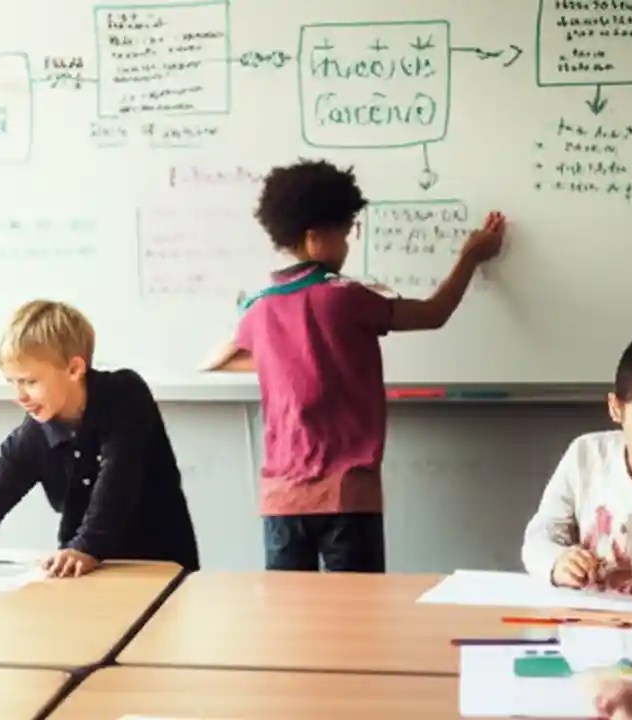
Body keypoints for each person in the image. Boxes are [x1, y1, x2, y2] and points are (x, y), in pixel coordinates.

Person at [204, 159, 505, 572]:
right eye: (344, 234)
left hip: (281, 497)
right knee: (360, 612)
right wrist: (470, 256)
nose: (348, 245)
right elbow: (434, 313)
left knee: (288, 619)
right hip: (349, 493)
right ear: (315, 238)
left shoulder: (257, 309)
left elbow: (223, 360)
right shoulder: (345, 297)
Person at [0, 300, 200, 577]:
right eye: (11, 382)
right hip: (85, 569)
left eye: (29, 381)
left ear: (74, 369)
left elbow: (118, 479)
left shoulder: (124, 395)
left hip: (159, 565)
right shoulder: (32, 436)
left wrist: (86, 546)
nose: (20, 396)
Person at [523, 328, 632, 601]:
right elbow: (539, 537)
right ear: (616, 408)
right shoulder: (587, 456)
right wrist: (559, 561)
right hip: (592, 621)